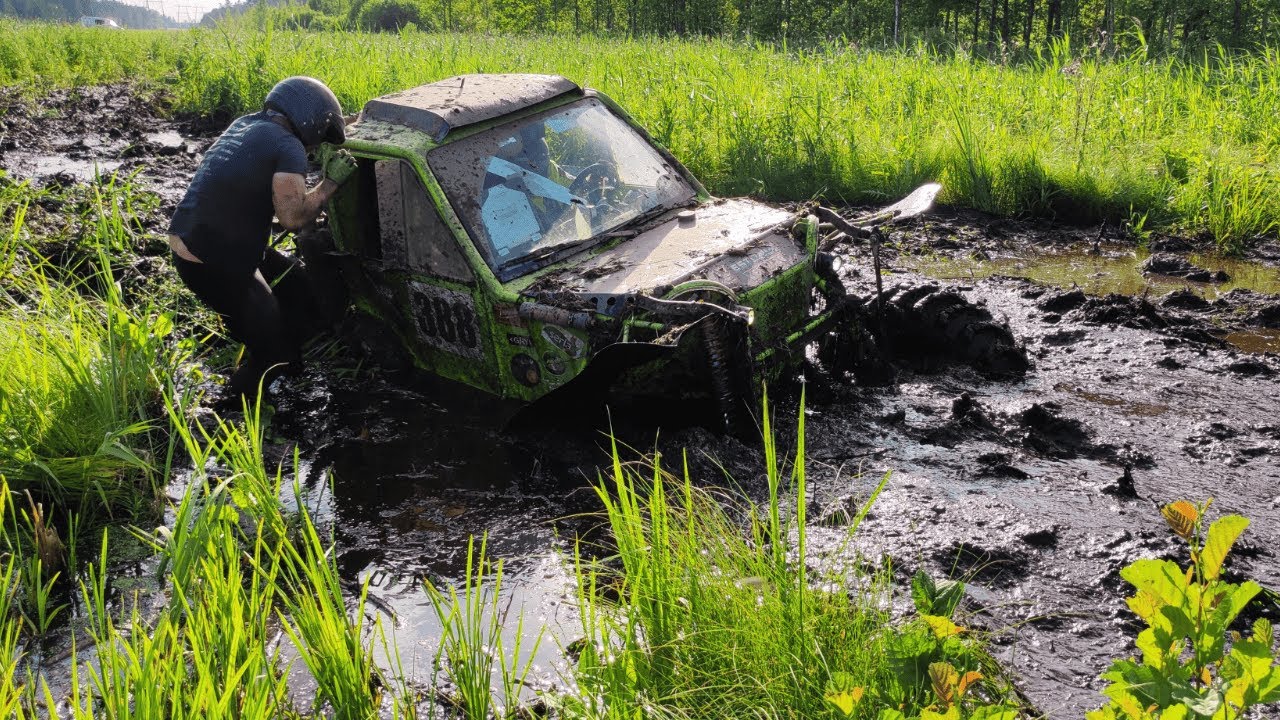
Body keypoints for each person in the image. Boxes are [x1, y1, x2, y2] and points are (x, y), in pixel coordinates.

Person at [167, 76, 358, 406]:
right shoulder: (287, 145)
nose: (314, 146)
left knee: (298, 287)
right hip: (215, 260)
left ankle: (256, 328)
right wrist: (329, 185)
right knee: (276, 355)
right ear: (309, 118)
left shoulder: (247, 125)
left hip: (192, 239)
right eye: (320, 134)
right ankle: (226, 410)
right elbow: (293, 217)